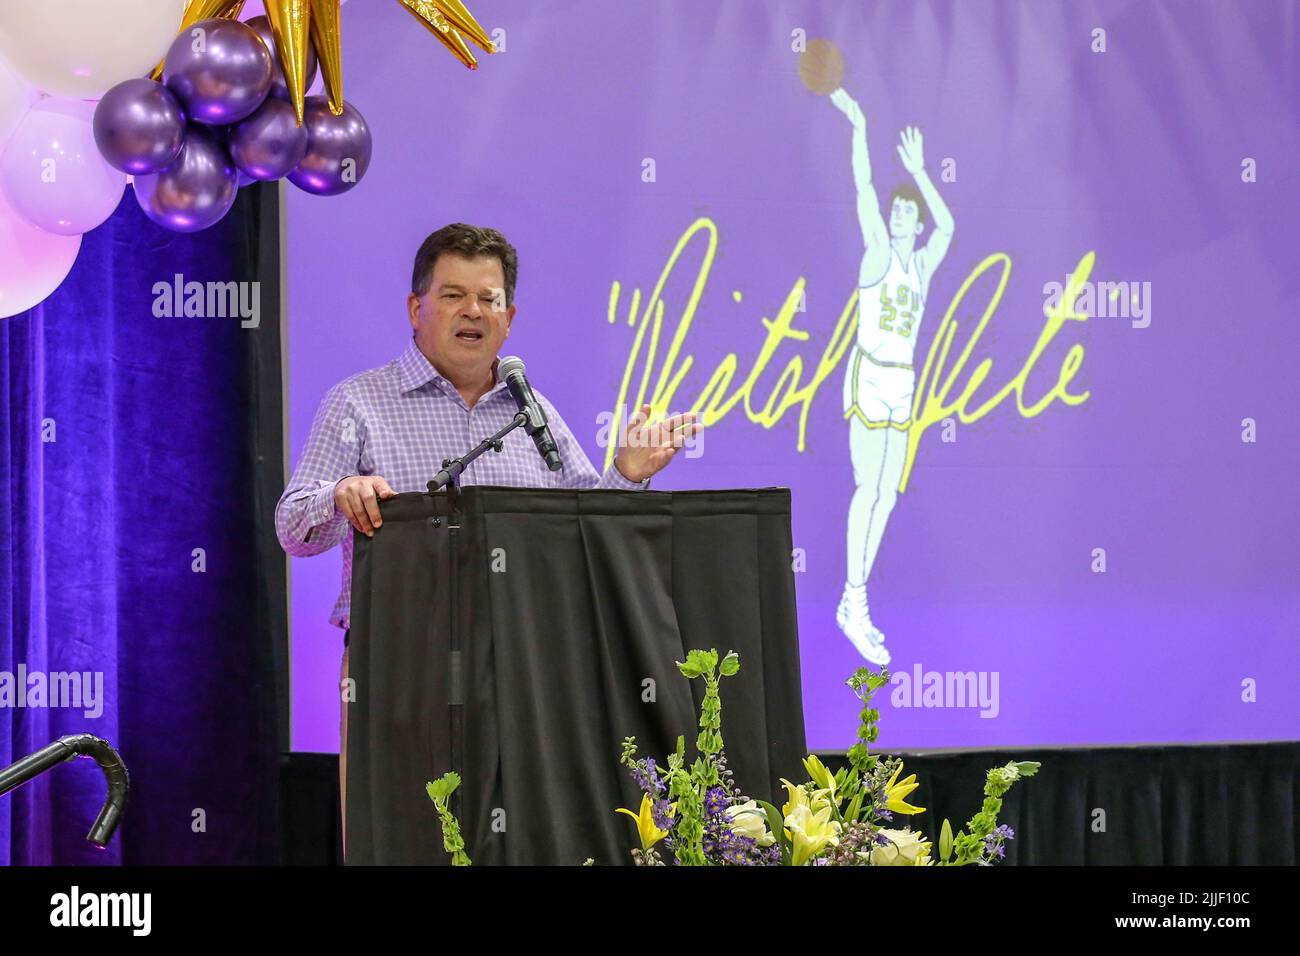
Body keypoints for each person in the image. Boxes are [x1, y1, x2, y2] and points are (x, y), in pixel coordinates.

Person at [274, 223, 701, 844]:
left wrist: (626, 473)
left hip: (525, 663)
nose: (473, 311)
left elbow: (580, 532)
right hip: (398, 665)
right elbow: (293, 527)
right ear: (415, 308)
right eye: (452, 295)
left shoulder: (534, 412)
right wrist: (340, 495)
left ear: (510, 317)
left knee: (524, 841)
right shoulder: (359, 403)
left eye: (489, 298)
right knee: (404, 840)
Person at [829, 89, 955, 665]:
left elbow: (949, 226)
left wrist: (921, 173)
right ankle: (852, 598)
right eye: (897, 207)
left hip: (902, 382)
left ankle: (857, 598)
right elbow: (861, 187)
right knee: (866, 488)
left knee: (886, 496)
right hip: (869, 376)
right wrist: (859, 126)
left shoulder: (922, 265)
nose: (901, 213)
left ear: (916, 221)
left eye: (909, 210)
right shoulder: (877, 250)